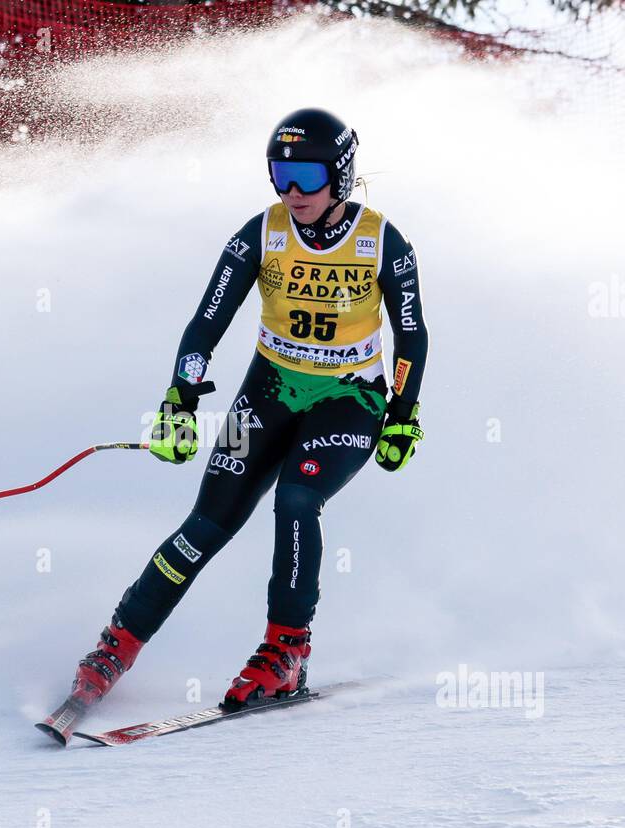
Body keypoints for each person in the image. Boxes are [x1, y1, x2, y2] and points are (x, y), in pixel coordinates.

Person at [59, 107, 428, 719]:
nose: (292, 191)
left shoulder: (381, 240)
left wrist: (402, 412)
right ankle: (116, 646)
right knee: (208, 520)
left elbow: (410, 334)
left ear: (340, 176)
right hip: (267, 391)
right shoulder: (260, 233)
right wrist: (178, 400)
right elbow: (206, 325)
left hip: (350, 398)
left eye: (307, 176)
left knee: (297, 500)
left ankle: (286, 650)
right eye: (280, 174)